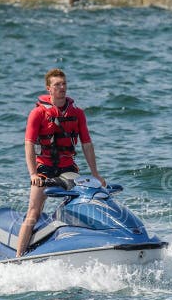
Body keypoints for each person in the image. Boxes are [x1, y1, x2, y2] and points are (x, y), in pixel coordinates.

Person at [16, 69, 105, 257]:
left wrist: (95, 174)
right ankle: (18, 256)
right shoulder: (38, 113)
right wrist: (33, 175)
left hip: (67, 168)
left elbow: (87, 144)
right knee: (34, 210)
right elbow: (29, 144)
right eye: (57, 85)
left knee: (84, 201)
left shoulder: (77, 113)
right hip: (44, 168)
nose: (62, 88)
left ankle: (83, 244)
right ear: (49, 89)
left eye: (64, 84)